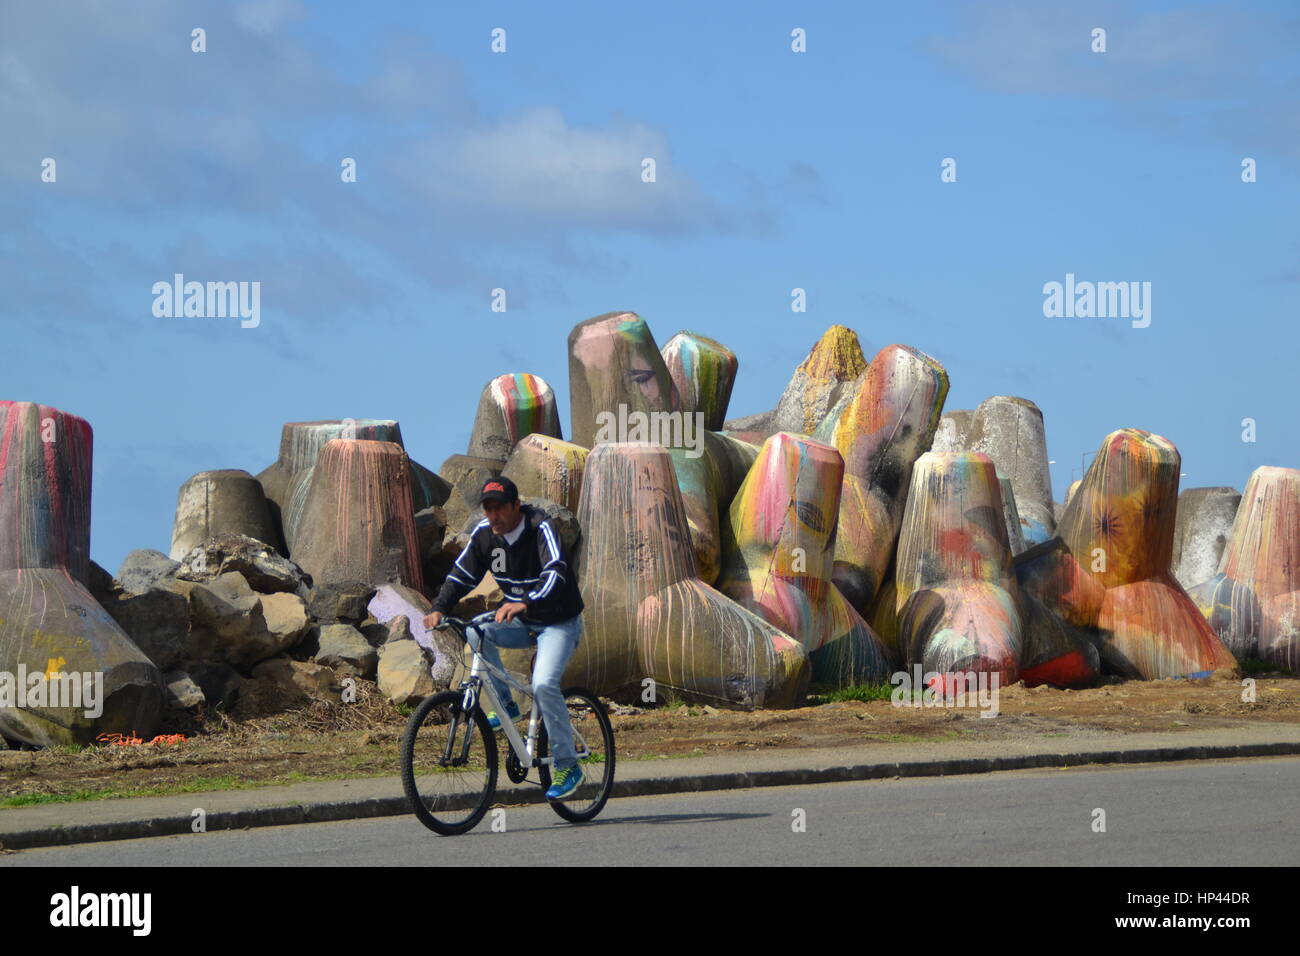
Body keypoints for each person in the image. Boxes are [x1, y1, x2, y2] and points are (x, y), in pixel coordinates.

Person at [422, 476, 587, 801]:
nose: (493, 515)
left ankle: (569, 765)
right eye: (488, 509)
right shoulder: (485, 536)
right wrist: (439, 607)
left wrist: (526, 600)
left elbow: (555, 571)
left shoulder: (541, 528)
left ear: (516, 506)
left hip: (559, 622)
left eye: (499, 508)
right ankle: (509, 707)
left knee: (542, 685)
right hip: (520, 620)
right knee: (474, 629)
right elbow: (460, 573)